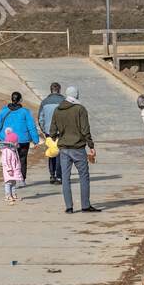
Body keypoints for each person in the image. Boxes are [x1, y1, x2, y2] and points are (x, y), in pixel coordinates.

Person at [49, 84, 100, 213]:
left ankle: (69, 207)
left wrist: (55, 138)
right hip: (77, 147)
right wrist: (91, 146)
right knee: (83, 176)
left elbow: (52, 131)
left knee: (65, 178)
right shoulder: (80, 109)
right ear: (76, 95)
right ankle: (85, 205)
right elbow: (85, 129)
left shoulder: (57, 110)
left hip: (64, 148)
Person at [0, 91, 40, 192]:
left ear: (12, 99)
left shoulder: (4, 111)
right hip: (22, 140)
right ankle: (22, 179)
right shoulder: (25, 112)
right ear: (20, 100)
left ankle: (10, 179)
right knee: (22, 159)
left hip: (7, 140)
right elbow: (31, 126)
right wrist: (35, 139)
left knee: (9, 160)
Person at [37, 82, 64, 185]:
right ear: (59, 90)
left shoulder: (44, 102)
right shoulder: (64, 101)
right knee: (59, 154)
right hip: (60, 132)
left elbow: (40, 118)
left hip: (48, 132)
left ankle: (52, 175)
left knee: (51, 152)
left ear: (51, 90)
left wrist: (44, 130)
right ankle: (59, 176)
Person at [0, 128, 24, 204]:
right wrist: (9, 169)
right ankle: (8, 195)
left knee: (13, 182)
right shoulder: (7, 151)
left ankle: (13, 194)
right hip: (9, 170)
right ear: (12, 142)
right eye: (16, 142)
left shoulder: (13, 150)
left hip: (14, 169)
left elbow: (16, 159)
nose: (17, 143)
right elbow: (6, 161)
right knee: (8, 182)